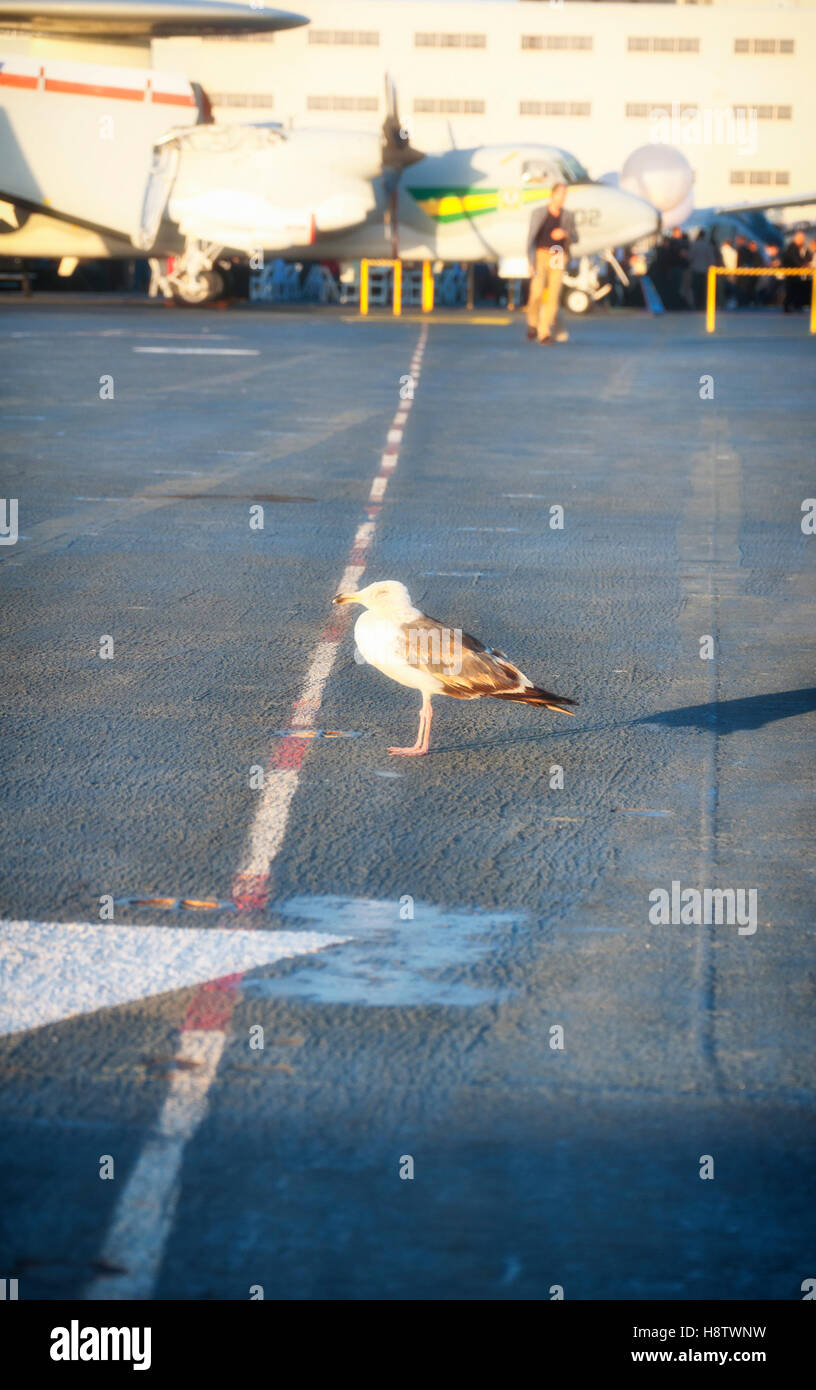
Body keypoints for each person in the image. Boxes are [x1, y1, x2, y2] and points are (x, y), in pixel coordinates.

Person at [526, 182, 576, 345]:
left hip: (558, 253)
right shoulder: (539, 213)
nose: (563, 198)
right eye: (560, 194)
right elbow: (531, 238)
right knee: (537, 292)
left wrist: (565, 234)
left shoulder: (567, 215)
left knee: (553, 295)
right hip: (541, 253)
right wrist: (530, 261)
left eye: (565, 195)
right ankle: (533, 323)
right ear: (552, 195)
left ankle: (544, 332)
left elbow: (576, 237)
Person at [782, 229, 809, 312]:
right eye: (802, 238)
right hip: (791, 272)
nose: (803, 240)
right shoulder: (793, 247)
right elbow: (795, 259)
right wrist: (802, 265)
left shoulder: (795, 247)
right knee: (791, 289)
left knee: (797, 288)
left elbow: (799, 258)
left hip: (794, 272)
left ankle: (796, 305)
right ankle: (787, 306)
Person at [689, 229, 715, 309]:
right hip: (705, 271)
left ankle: (696, 305)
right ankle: (703, 305)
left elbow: (690, 257)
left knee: (696, 289)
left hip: (695, 270)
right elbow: (711, 259)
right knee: (704, 289)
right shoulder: (708, 245)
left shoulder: (694, 245)